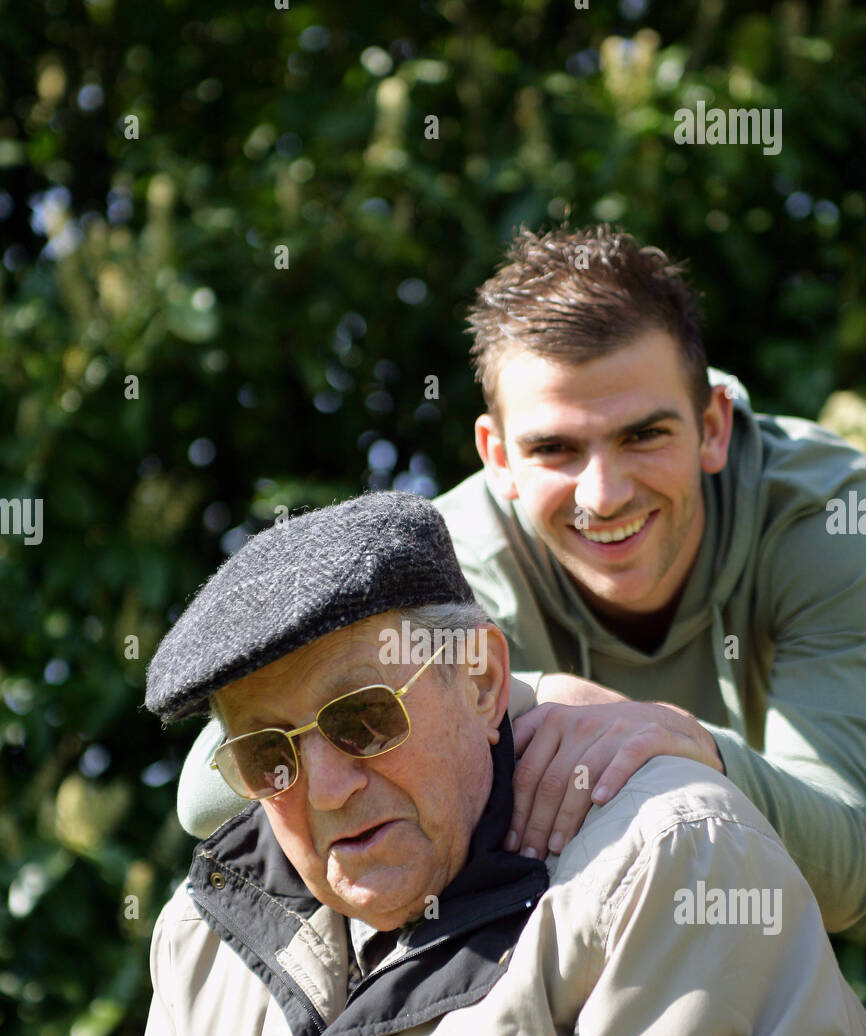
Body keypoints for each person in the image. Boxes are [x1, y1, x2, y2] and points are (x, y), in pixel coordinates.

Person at [24, 493, 866, 1036]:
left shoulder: (669, 869)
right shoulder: (213, 935)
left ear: (484, 681)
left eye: (361, 718)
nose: (325, 788)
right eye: (267, 755)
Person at [174, 226, 866, 941]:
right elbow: (204, 793)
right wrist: (545, 697)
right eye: (555, 449)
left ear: (713, 425)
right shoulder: (454, 553)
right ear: (497, 458)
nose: (603, 496)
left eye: (644, 436)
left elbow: (852, 875)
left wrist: (686, 744)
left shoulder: (830, 518)